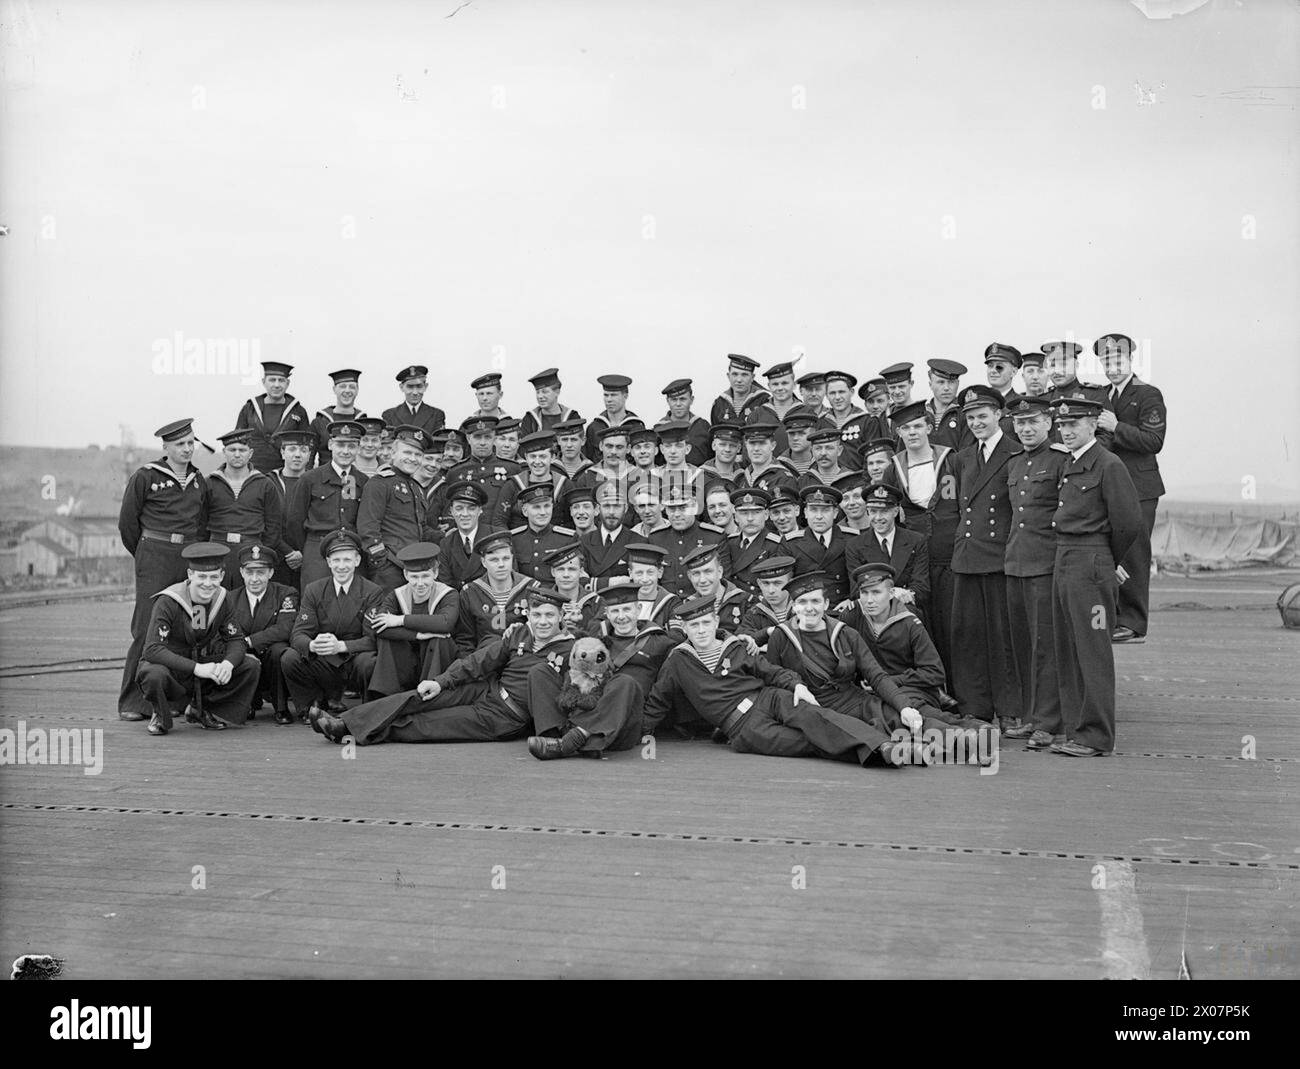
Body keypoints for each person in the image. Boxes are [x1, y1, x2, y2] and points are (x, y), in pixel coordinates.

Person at [640, 595, 918, 767]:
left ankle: (884, 746)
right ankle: (879, 753)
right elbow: (658, 698)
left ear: (715, 622)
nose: (701, 631)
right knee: (804, 743)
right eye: (694, 626)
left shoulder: (736, 646)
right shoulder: (679, 659)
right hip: (744, 727)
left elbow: (770, 671)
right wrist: (643, 732)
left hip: (769, 697)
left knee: (817, 718)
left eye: (705, 623)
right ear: (686, 628)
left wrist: (796, 684)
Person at [311, 586, 573, 745]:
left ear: (561, 617)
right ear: (529, 615)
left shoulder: (572, 650)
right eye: (537, 615)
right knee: (419, 696)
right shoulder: (518, 633)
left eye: (550, 615)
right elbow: (477, 662)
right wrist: (440, 681)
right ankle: (343, 722)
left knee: (427, 724)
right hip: (487, 689)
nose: (542, 622)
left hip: (505, 716)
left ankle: (352, 734)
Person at [1050, 393, 1143, 757]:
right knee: (1068, 649)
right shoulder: (1070, 463)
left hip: (1090, 561)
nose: (1067, 430)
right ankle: (1077, 731)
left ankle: (1096, 736)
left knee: (1092, 651)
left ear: (1092, 424)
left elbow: (1129, 523)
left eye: (1073, 424)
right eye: (1062, 425)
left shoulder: (1108, 464)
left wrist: (1105, 560)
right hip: (1065, 557)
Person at [765, 571, 925, 761]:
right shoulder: (781, 637)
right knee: (850, 733)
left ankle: (963, 739)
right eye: (802, 602)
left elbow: (876, 676)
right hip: (813, 711)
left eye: (815, 602)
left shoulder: (846, 634)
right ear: (793, 607)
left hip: (852, 702)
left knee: (904, 719)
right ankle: (889, 750)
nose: (809, 608)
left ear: (825, 604)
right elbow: (773, 680)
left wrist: (904, 706)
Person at [117, 418, 211, 721]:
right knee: (146, 628)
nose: (186, 449)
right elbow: (127, 524)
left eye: (190, 443)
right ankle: (134, 702)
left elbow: (202, 523)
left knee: (183, 627)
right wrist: (146, 554)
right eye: (179, 444)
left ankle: (172, 699)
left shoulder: (199, 481)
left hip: (187, 557)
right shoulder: (146, 476)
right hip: (154, 555)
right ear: (166, 447)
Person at [526, 582, 677, 760]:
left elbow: (667, 688)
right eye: (615, 611)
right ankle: (554, 737)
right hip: (584, 708)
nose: (621, 617)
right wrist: (520, 631)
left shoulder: (659, 642)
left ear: (638, 609)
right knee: (540, 671)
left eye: (626, 610)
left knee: (624, 681)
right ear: (607, 613)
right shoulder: (596, 636)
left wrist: (647, 723)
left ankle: (570, 742)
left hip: (622, 721)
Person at [949, 385, 1023, 729]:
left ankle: (1009, 709)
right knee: (968, 635)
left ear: (999, 415)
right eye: (971, 418)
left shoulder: (1015, 454)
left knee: (1002, 637)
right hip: (966, 556)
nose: (977, 422)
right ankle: (975, 706)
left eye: (982, 416)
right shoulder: (963, 456)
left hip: (997, 558)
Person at [135, 543, 261, 736]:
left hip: (199, 666)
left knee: (250, 664)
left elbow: (236, 639)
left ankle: (202, 709)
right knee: (153, 674)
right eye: (201, 576)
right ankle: (160, 714)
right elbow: (152, 650)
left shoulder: (221, 599)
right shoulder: (168, 601)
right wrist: (197, 668)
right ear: (190, 575)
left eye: (213, 577)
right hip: (171, 670)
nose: (208, 583)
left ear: (222, 576)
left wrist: (227, 664)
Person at [1002, 397, 1069, 747]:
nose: (1026, 429)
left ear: (1048, 423)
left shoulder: (1060, 461)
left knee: (1046, 647)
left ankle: (1048, 721)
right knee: (1022, 646)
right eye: (1020, 423)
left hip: (1045, 565)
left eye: (1033, 422)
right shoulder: (1014, 463)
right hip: (1014, 564)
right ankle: (1030, 716)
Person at [880, 400, 960, 682]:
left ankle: (961, 691)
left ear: (928, 427)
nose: (912, 433)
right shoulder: (894, 468)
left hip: (948, 554)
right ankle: (931, 687)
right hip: (915, 558)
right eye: (905, 428)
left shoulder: (950, 459)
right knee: (922, 627)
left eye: (917, 426)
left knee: (953, 626)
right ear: (899, 433)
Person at [1094, 332, 1166, 643]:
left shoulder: (1148, 394)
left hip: (1140, 487)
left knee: (1135, 552)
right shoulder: (1102, 395)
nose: (1113, 366)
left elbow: (1154, 441)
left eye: (1118, 360)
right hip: (1108, 486)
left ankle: (1134, 623)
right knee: (1111, 551)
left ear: (1130, 360)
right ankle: (1112, 618)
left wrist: (1116, 427)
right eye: (1107, 361)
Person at [839, 563, 971, 731]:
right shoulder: (852, 617)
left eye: (876, 592)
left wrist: (893, 680)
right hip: (869, 694)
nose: (869, 600)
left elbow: (934, 672)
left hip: (911, 690)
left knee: (911, 708)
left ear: (892, 593)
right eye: (864, 593)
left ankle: (972, 729)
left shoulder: (909, 621)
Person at [281, 528, 384, 720]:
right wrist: (312, 644)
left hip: (353, 660)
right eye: (336, 560)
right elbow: (298, 634)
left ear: (357, 561)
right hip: (324, 661)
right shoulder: (315, 590)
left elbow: (373, 639)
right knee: (290, 657)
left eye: (347, 560)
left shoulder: (372, 592)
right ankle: (311, 706)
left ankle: (367, 711)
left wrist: (341, 646)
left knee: (369, 662)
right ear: (328, 562)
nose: (341, 566)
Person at [364, 542, 460, 697]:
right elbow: (377, 627)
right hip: (407, 660)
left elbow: (446, 623)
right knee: (387, 640)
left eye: (425, 576)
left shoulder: (448, 594)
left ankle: (431, 694)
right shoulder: (397, 595)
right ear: (406, 575)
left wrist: (401, 620)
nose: (420, 583)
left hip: (437, 660)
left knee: (439, 639)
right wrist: (417, 635)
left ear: (435, 573)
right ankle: (388, 695)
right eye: (414, 577)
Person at [284, 420, 369, 587]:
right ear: (330, 445)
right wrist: (311, 548)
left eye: (351, 446)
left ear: (358, 448)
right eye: (340, 445)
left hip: (351, 552)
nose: (345, 451)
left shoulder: (362, 481)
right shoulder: (310, 479)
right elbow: (295, 521)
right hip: (318, 554)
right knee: (316, 600)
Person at [357, 425, 435, 589]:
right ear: (393, 453)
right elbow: (368, 528)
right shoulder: (379, 483)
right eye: (407, 453)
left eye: (418, 455)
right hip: (389, 568)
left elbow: (420, 527)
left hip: (415, 568)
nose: (413, 459)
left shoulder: (416, 488)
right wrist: (380, 560)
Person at [228, 544, 299, 724]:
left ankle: (281, 707)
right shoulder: (229, 599)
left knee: (279, 650)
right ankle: (246, 703)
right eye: (249, 572)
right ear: (241, 573)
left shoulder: (285, 594)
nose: (254, 579)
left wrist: (250, 641)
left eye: (260, 572)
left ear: (271, 573)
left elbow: (285, 628)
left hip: (271, 661)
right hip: (245, 659)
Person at [206, 428, 282, 588]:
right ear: (224, 452)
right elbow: (200, 522)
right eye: (232, 450)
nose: (237, 454)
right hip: (217, 550)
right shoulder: (210, 483)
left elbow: (273, 526)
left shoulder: (265, 484)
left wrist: (259, 552)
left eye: (242, 450)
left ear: (251, 453)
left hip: (250, 550)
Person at [845, 482, 929, 619]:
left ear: (895, 511)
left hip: (907, 609)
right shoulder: (855, 545)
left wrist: (907, 595)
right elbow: (856, 591)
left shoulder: (916, 541)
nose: (878, 518)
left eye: (884, 511)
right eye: (873, 512)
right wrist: (892, 592)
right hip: (871, 612)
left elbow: (922, 588)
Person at [452, 530, 538, 651]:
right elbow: (465, 640)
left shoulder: (531, 588)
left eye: (506, 558)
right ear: (483, 562)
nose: (501, 564)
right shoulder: (470, 592)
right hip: (484, 660)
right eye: (494, 560)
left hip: (520, 657)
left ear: (512, 559)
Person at [234, 361, 311, 474]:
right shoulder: (249, 409)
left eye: (281, 380)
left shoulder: (298, 411)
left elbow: (307, 445)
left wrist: (306, 474)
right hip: (252, 472)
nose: (276, 385)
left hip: (285, 474)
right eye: (272, 380)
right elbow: (238, 442)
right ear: (263, 382)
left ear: (287, 383)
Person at [651, 487, 731, 595]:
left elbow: (724, 579)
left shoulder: (714, 537)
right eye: (672, 509)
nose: (677, 514)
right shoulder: (656, 538)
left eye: (683, 508)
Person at [785, 485, 851, 604]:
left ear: (835, 513)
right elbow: (786, 585)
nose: (819, 516)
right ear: (805, 512)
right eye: (814, 510)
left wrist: (851, 600)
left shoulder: (851, 539)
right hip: (806, 609)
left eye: (825, 510)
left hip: (842, 607)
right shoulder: (791, 544)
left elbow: (858, 580)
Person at [447, 415, 519, 522]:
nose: (482, 443)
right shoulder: (455, 472)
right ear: (468, 438)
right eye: (477, 437)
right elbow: (450, 509)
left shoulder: (513, 469)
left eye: (487, 437)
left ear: (494, 439)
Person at [495, 432, 569, 530]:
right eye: (533, 457)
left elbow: (571, 521)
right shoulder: (512, 485)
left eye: (543, 456)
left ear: (552, 458)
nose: (537, 462)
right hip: (519, 542)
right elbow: (499, 521)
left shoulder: (564, 485)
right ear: (526, 457)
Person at [269, 429, 313, 588]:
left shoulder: (317, 483)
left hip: (309, 558)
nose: (297, 455)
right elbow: (267, 524)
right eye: (292, 449)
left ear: (309, 455)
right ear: (282, 452)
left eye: (303, 450)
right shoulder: (269, 482)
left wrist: (303, 553)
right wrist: (288, 552)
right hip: (276, 557)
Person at [510, 483, 577, 583]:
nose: (543, 512)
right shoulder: (514, 538)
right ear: (525, 511)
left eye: (546, 506)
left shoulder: (568, 538)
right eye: (536, 507)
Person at [680, 543, 751, 633]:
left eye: (708, 572)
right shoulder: (687, 606)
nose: (702, 580)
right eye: (696, 573)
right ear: (690, 577)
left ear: (720, 572)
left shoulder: (745, 602)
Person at [725, 487, 784, 592]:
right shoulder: (729, 542)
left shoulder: (776, 545)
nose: (750, 518)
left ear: (766, 515)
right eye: (744, 513)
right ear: (735, 517)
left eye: (756, 512)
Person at [437, 481, 494, 589]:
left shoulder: (495, 536)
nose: (465, 514)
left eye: (471, 508)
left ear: (480, 510)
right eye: (459, 508)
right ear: (451, 511)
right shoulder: (446, 544)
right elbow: (445, 588)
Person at [582, 480, 636, 581]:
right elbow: (579, 581)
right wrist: (613, 582)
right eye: (606, 506)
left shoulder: (637, 541)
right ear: (598, 509)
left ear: (626, 508)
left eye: (617, 506)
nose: (611, 512)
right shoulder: (584, 541)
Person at [309, 369, 364, 467]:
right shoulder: (320, 422)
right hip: (323, 478)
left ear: (357, 390)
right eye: (342, 386)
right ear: (334, 389)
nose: (347, 390)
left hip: (357, 477)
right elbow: (309, 456)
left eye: (352, 387)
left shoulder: (363, 421)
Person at [738, 554, 796, 643]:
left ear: (790, 583)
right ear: (759, 584)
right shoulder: (754, 613)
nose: (771, 590)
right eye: (766, 583)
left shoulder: (803, 608)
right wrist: (767, 632)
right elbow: (742, 638)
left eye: (777, 583)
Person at [583, 374, 639, 461]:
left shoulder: (636, 427)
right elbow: (588, 460)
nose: (609, 399)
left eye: (613, 395)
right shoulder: (594, 428)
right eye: (606, 395)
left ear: (625, 396)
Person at [651, 421, 702, 512]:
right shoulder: (653, 476)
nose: (673, 451)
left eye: (678, 446)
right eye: (668, 446)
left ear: (687, 449)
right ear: (662, 449)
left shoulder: (699, 476)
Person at [923, 359, 972, 453]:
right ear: (930, 385)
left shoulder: (966, 413)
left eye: (951, 382)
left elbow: (967, 454)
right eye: (940, 382)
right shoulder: (921, 414)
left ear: (958, 384)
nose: (946, 388)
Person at [734, 421, 796, 495]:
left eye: (762, 443)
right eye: (752, 443)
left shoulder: (784, 479)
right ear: (746, 445)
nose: (756, 448)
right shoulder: (740, 479)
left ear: (773, 445)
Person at [381, 364, 446, 437]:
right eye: (410, 387)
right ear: (402, 387)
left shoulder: (437, 415)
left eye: (419, 386)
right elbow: (389, 444)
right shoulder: (389, 415)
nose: (415, 392)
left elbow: (438, 445)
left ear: (425, 387)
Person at [660, 379, 713, 466]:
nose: (678, 404)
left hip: (700, 477)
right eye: (674, 399)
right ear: (667, 401)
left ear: (691, 400)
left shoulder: (703, 426)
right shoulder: (660, 429)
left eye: (683, 399)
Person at [710, 353, 770, 425]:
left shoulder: (764, 401)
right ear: (728, 376)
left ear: (752, 377)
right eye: (735, 374)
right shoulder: (720, 403)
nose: (739, 380)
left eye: (744, 375)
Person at [519, 367, 580, 437]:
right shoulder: (530, 419)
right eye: (537, 392)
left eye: (545, 392)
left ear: (557, 392)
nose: (540, 396)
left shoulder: (571, 417)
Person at [699, 422, 745, 488]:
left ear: (739, 448)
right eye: (722, 445)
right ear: (713, 445)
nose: (727, 449)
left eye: (733, 445)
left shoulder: (744, 477)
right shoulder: (699, 476)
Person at [780, 407, 818, 475]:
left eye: (801, 433)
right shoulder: (778, 466)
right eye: (791, 433)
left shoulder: (823, 463)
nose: (795, 438)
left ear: (813, 434)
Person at [554, 418, 594, 482]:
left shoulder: (592, 470)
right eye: (565, 439)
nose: (569, 445)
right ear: (558, 441)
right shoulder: (550, 469)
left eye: (573, 440)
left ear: (583, 441)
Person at [985, 342, 1023, 409]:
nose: (993, 371)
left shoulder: (1021, 404)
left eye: (999, 367)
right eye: (990, 366)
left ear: (1013, 372)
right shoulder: (977, 401)